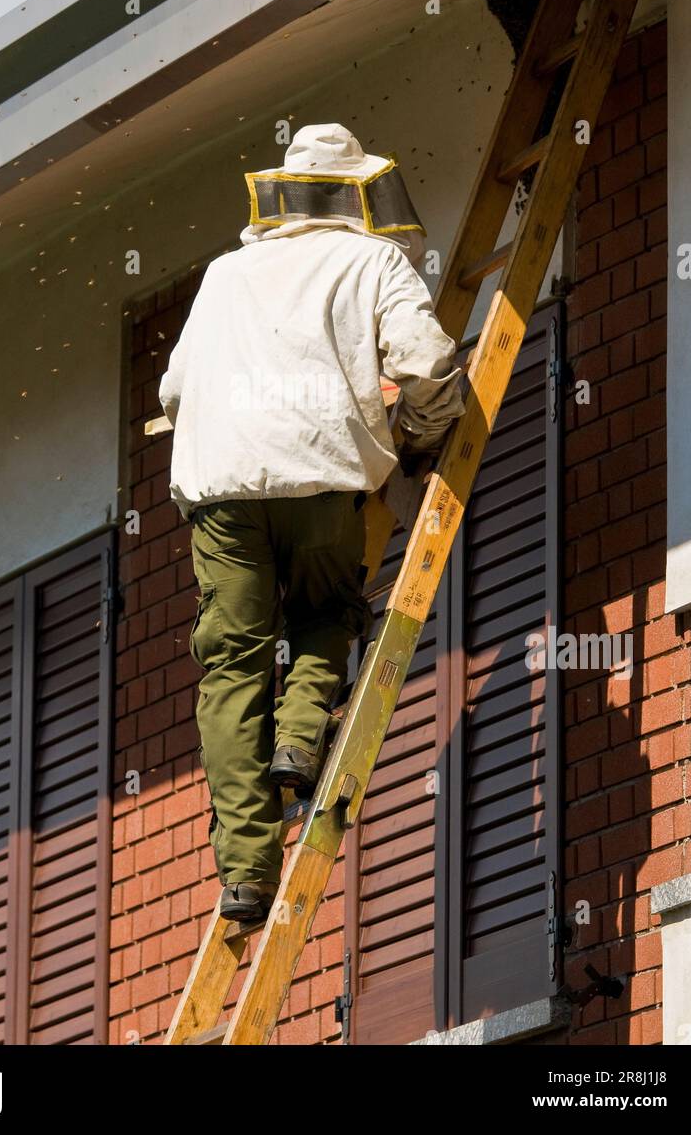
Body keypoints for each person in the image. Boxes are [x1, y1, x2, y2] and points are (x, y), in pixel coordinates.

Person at [160, 124, 465, 921]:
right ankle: (299, 736)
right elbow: (428, 366)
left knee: (230, 671)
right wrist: (425, 435)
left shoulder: (226, 275)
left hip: (222, 494)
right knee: (328, 611)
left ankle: (246, 875)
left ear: (283, 192)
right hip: (324, 482)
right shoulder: (374, 260)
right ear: (359, 191)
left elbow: (172, 391)